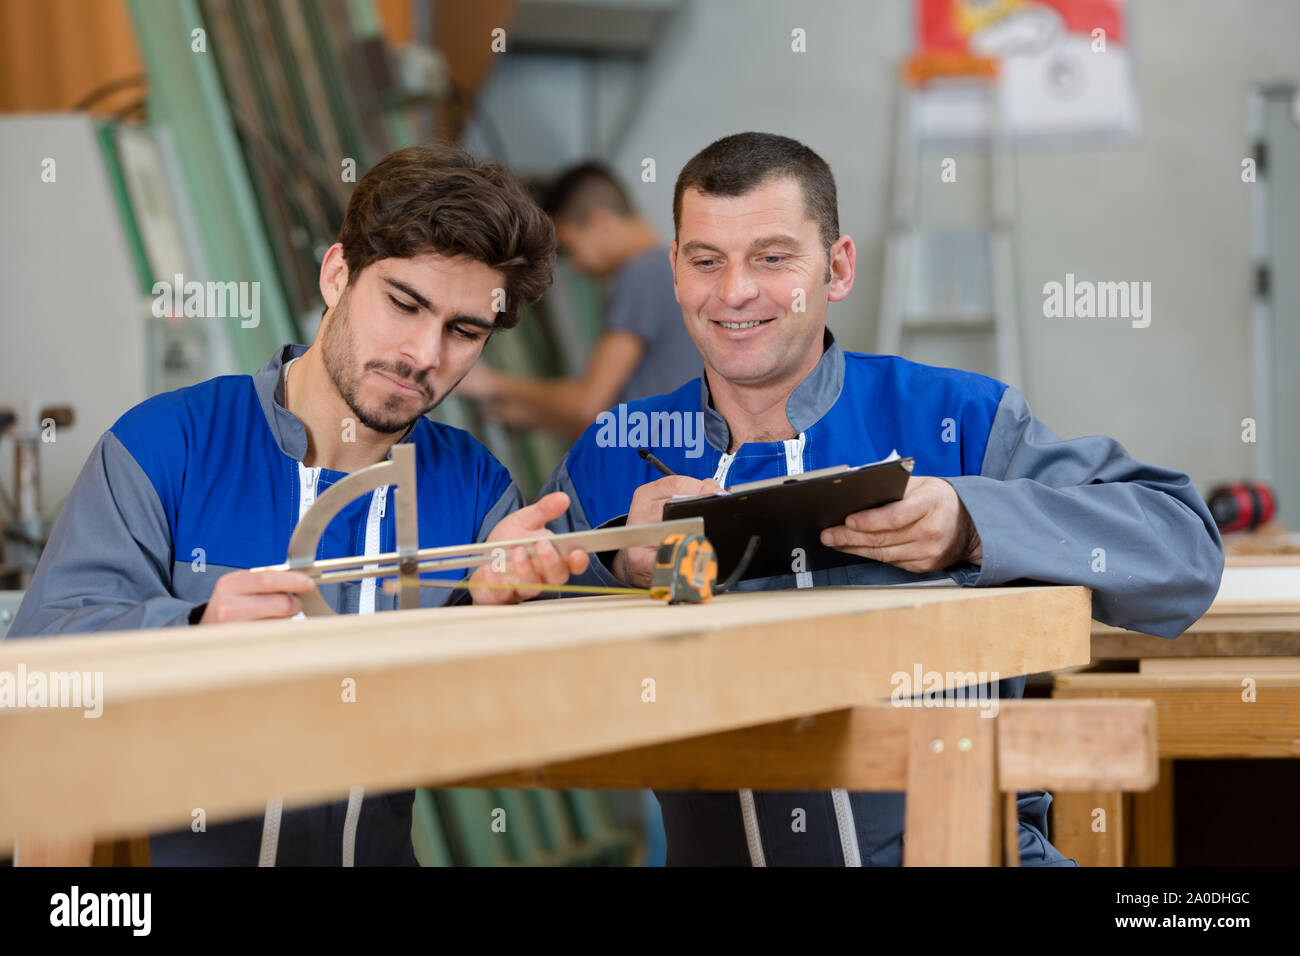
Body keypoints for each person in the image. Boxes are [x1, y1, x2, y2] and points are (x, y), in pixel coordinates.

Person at [540, 131, 1225, 866]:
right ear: (675, 272)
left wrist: (973, 523)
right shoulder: (615, 457)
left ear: (836, 269)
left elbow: (1183, 552)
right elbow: (514, 671)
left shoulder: (957, 418)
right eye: (707, 261)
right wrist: (614, 562)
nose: (735, 291)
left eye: (772, 258)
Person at [7, 144, 589, 866]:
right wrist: (194, 628)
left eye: (463, 331)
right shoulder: (167, 445)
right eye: (403, 303)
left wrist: (493, 614)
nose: (422, 353)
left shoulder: (474, 490)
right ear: (337, 273)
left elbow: (526, 720)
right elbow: (35, 664)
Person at [459, 162, 699, 436]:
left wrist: (490, 383)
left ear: (600, 222)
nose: (575, 266)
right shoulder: (668, 269)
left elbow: (588, 404)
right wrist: (538, 416)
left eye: (571, 248)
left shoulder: (641, 275)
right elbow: (616, 414)